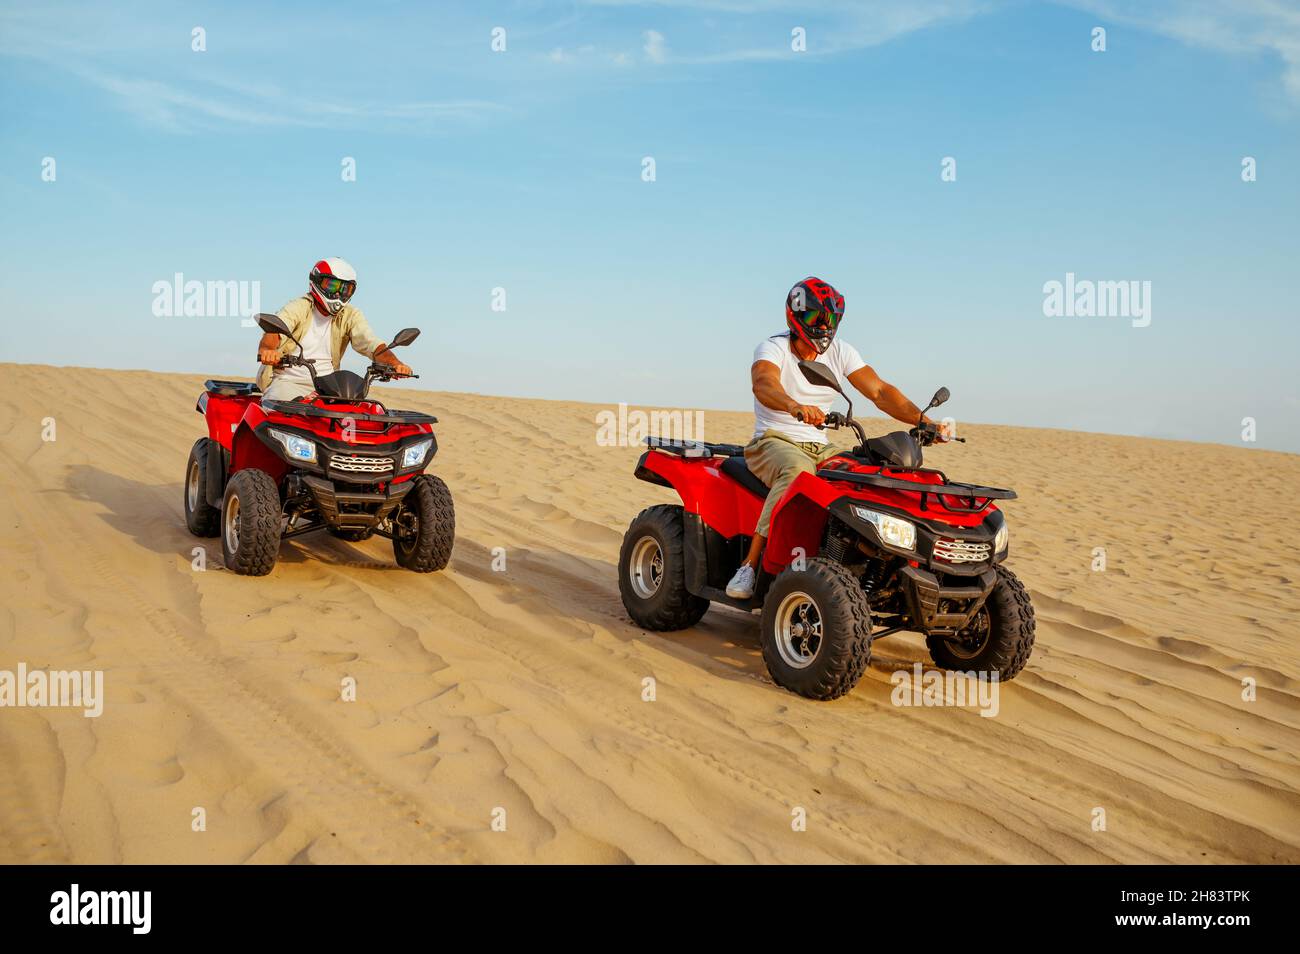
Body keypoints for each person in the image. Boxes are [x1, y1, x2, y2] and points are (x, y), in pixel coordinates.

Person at [725, 277, 947, 599]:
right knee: (797, 474)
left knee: (864, 476)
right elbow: (763, 384)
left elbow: (880, 391)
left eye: (831, 320)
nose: (824, 327)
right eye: (817, 319)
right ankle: (749, 565)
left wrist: (925, 422)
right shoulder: (772, 348)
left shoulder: (841, 352)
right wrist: (794, 406)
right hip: (773, 441)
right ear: (796, 317)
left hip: (820, 445)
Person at [257, 257, 411, 402]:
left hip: (329, 387)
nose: (338, 293)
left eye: (345, 289)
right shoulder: (299, 307)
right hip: (288, 382)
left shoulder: (350, 315)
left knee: (360, 414)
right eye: (332, 285)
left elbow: (370, 343)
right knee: (279, 410)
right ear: (316, 282)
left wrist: (395, 363)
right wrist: (268, 350)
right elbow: (275, 331)